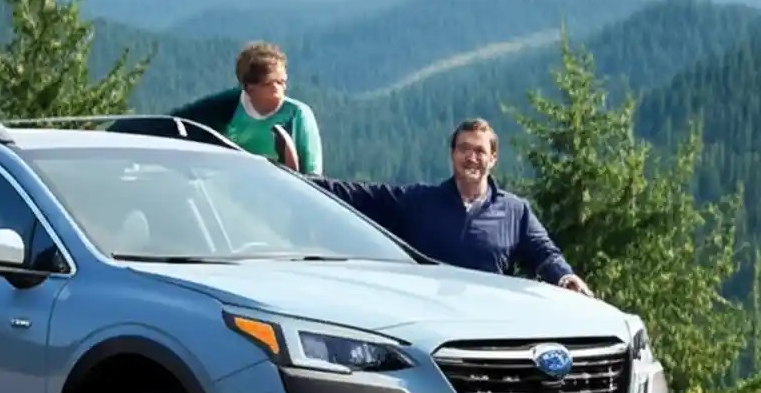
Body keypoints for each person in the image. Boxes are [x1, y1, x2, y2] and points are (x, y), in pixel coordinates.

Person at [307, 118, 594, 296]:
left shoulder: (515, 211)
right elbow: (359, 196)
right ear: (452, 154)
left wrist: (565, 277)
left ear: (493, 158)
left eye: (480, 151)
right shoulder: (419, 201)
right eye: (464, 149)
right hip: (428, 326)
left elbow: (544, 254)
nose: (471, 157)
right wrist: (297, 182)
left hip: (492, 323)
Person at [168, 41, 324, 174]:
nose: (280, 88)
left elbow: (313, 175)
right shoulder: (226, 106)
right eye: (271, 83)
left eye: (282, 81)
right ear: (249, 87)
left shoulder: (297, 114)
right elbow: (176, 123)